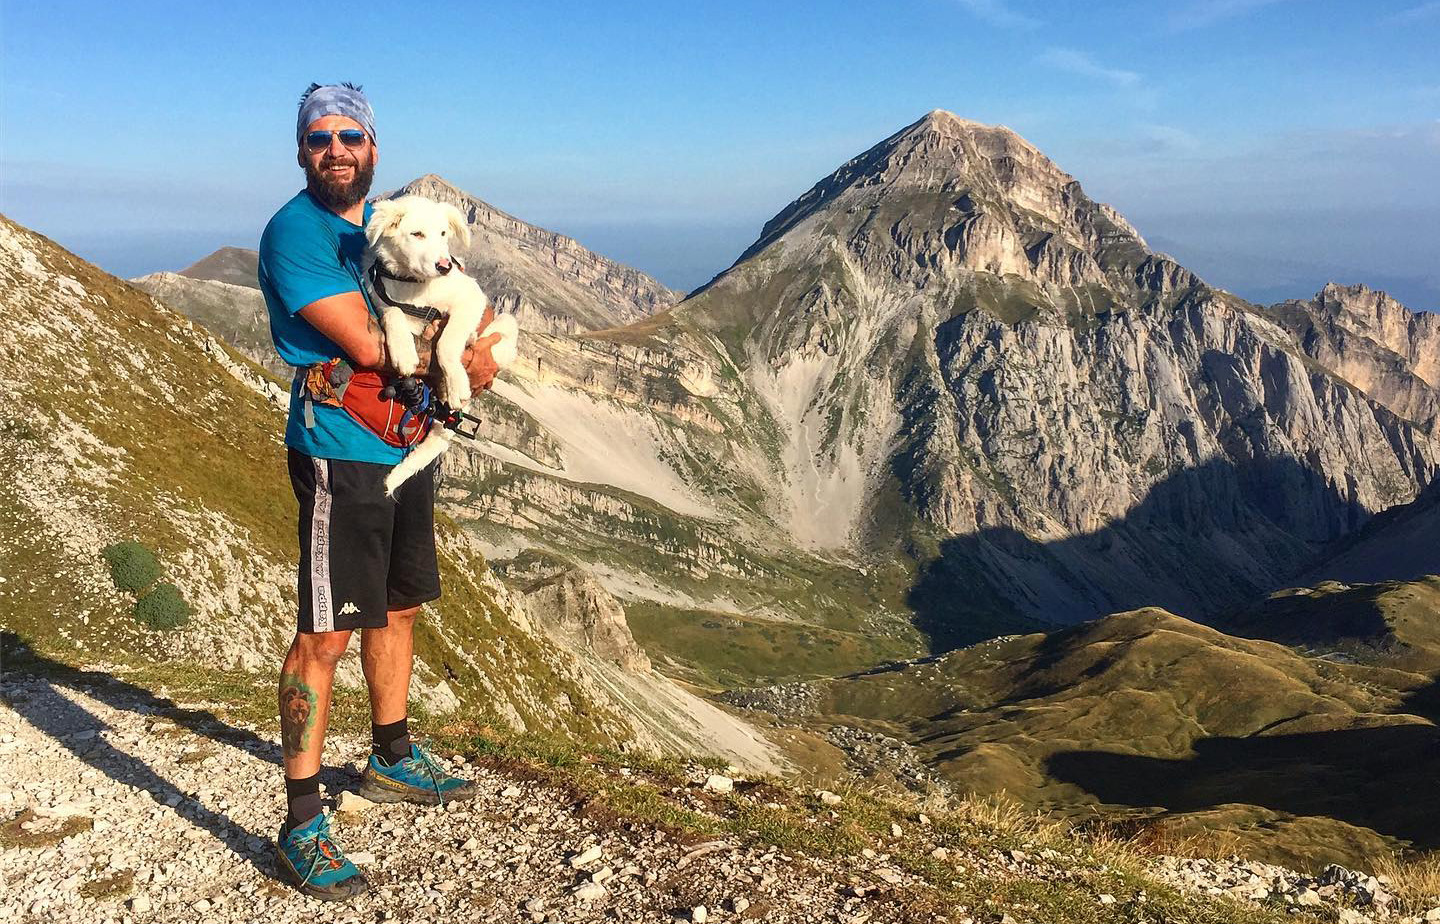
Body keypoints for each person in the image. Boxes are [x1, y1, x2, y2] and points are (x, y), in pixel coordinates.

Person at [256, 82, 501, 901]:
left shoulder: (388, 224)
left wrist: (465, 354)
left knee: (399, 605)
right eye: (319, 137)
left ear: (372, 148)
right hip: (341, 448)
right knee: (326, 633)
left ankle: (391, 755)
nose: (336, 150)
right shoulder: (297, 231)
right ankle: (302, 822)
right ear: (302, 151)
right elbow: (370, 345)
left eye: (350, 136)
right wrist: (465, 358)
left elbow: (441, 309)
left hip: (401, 437)